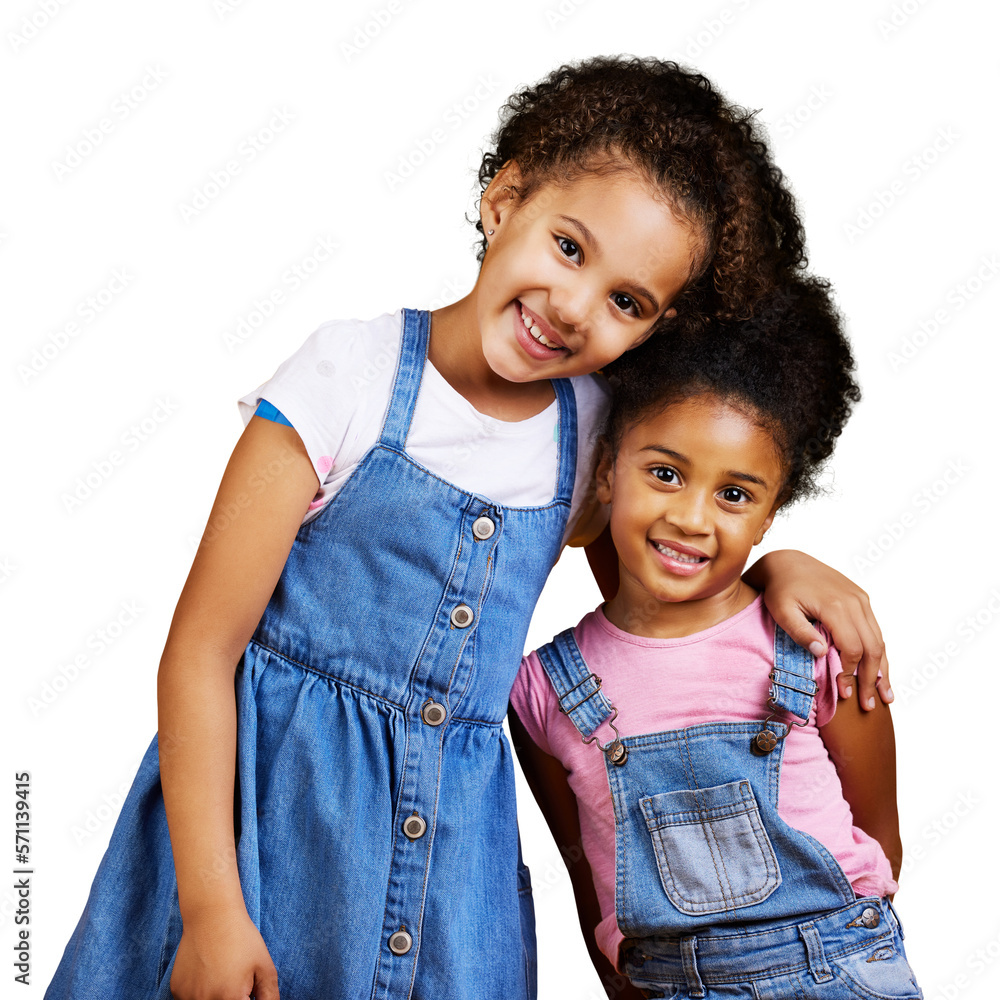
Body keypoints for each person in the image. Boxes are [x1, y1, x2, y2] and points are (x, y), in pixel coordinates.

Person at [46, 59, 889, 1000]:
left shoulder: (592, 437)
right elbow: (201, 653)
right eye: (568, 247)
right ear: (504, 198)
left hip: (450, 881)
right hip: (263, 832)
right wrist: (211, 909)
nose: (573, 307)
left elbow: (662, 607)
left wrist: (778, 568)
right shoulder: (349, 376)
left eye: (626, 302)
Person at [510, 276, 921, 1000]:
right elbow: (587, 882)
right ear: (606, 472)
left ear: (769, 515)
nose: (692, 518)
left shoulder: (815, 646)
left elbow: (880, 844)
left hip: (839, 972)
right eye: (665, 473)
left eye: (733, 494)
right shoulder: (543, 691)